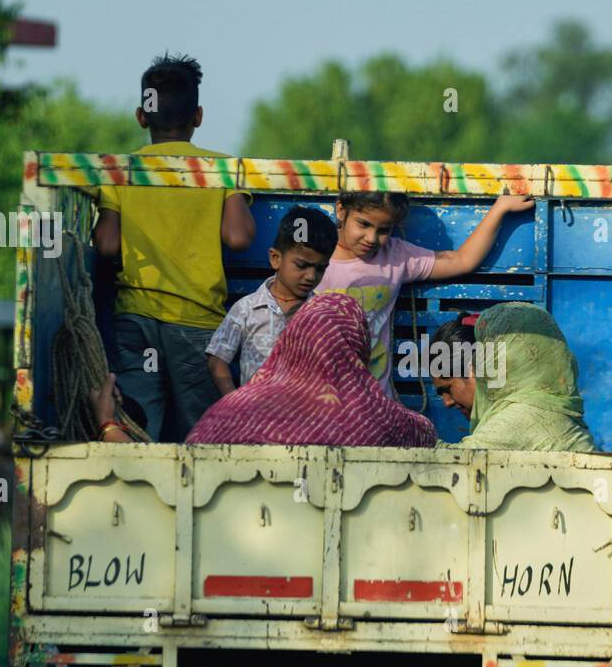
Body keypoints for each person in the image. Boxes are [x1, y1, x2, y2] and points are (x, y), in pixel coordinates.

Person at [92, 52, 256, 441]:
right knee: (198, 436)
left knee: (137, 424)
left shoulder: (121, 170)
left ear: (141, 115)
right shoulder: (221, 169)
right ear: (198, 116)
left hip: (136, 320)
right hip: (196, 323)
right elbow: (238, 237)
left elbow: (107, 245)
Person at [316, 190, 534, 399]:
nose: (371, 238)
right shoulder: (310, 257)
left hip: (372, 403)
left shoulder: (395, 255)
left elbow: (461, 260)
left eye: (384, 230)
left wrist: (500, 208)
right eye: (363, 224)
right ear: (341, 210)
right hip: (314, 397)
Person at [186, 293, 436, 448]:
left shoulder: (231, 410)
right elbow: (424, 435)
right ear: (357, 345)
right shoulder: (375, 414)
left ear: (291, 340)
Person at [205, 206, 335, 395]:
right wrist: (234, 401)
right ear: (275, 258)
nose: (310, 276)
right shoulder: (246, 309)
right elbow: (217, 359)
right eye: (302, 265)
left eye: (320, 268)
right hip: (253, 417)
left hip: (304, 418)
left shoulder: (321, 314)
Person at [432, 303, 596, 452]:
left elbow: (450, 462)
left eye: (448, 390)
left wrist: (411, 427)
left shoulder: (524, 417)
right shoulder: (549, 409)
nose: (447, 403)